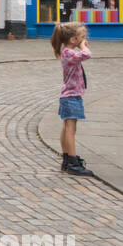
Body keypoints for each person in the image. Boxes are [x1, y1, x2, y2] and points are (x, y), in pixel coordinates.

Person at [51, 23, 93, 176]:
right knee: (70, 129)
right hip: (71, 97)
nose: (85, 40)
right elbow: (87, 55)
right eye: (82, 38)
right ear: (74, 39)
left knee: (67, 127)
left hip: (70, 96)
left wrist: (80, 45)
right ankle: (72, 161)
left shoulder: (68, 52)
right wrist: (83, 46)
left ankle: (67, 158)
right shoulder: (69, 53)